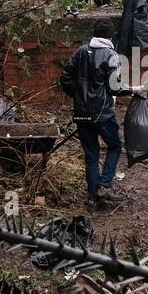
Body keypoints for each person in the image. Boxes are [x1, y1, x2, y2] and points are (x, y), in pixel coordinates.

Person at [59, 19, 124, 210]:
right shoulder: (111, 55)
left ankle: (91, 197)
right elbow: (114, 88)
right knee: (115, 146)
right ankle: (104, 182)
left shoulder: (80, 51)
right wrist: (132, 90)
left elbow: (65, 78)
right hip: (102, 114)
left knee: (91, 155)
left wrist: (78, 96)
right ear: (111, 36)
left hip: (82, 114)